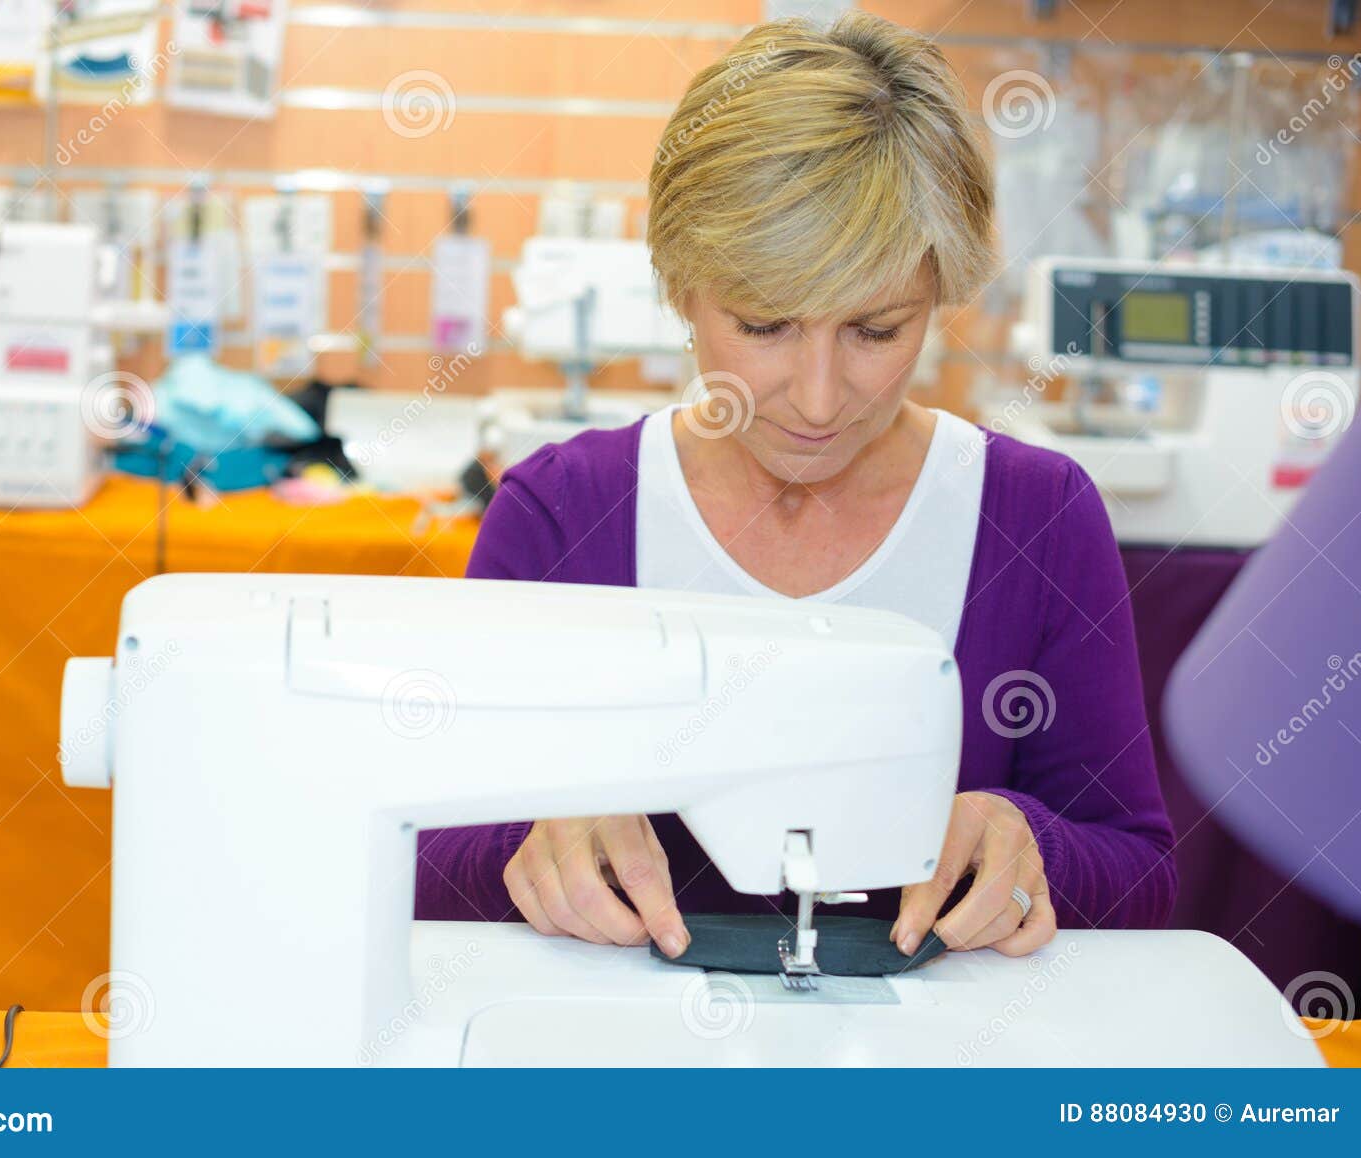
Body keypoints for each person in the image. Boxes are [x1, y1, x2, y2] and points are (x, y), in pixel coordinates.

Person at [417, 11, 1176, 962]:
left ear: (940, 294)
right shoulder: (560, 516)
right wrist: (532, 847)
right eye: (765, 325)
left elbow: (1142, 877)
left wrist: (1033, 848)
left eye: (877, 330)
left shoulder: (1039, 519)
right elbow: (424, 860)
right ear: (680, 286)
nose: (819, 400)